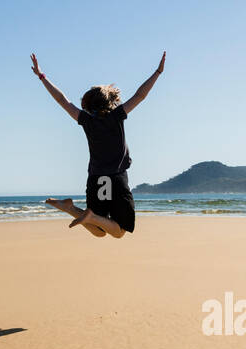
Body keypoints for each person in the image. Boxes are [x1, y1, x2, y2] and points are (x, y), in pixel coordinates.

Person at [30, 51, 165, 238]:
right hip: (116, 179)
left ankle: (70, 208)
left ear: (89, 104)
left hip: (96, 179)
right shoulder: (117, 116)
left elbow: (62, 100)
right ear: (110, 100)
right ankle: (90, 215)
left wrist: (42, 77)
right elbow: (140, 95)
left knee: (100, 232)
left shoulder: (86, 120)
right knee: (119, 231)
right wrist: (158, 72)